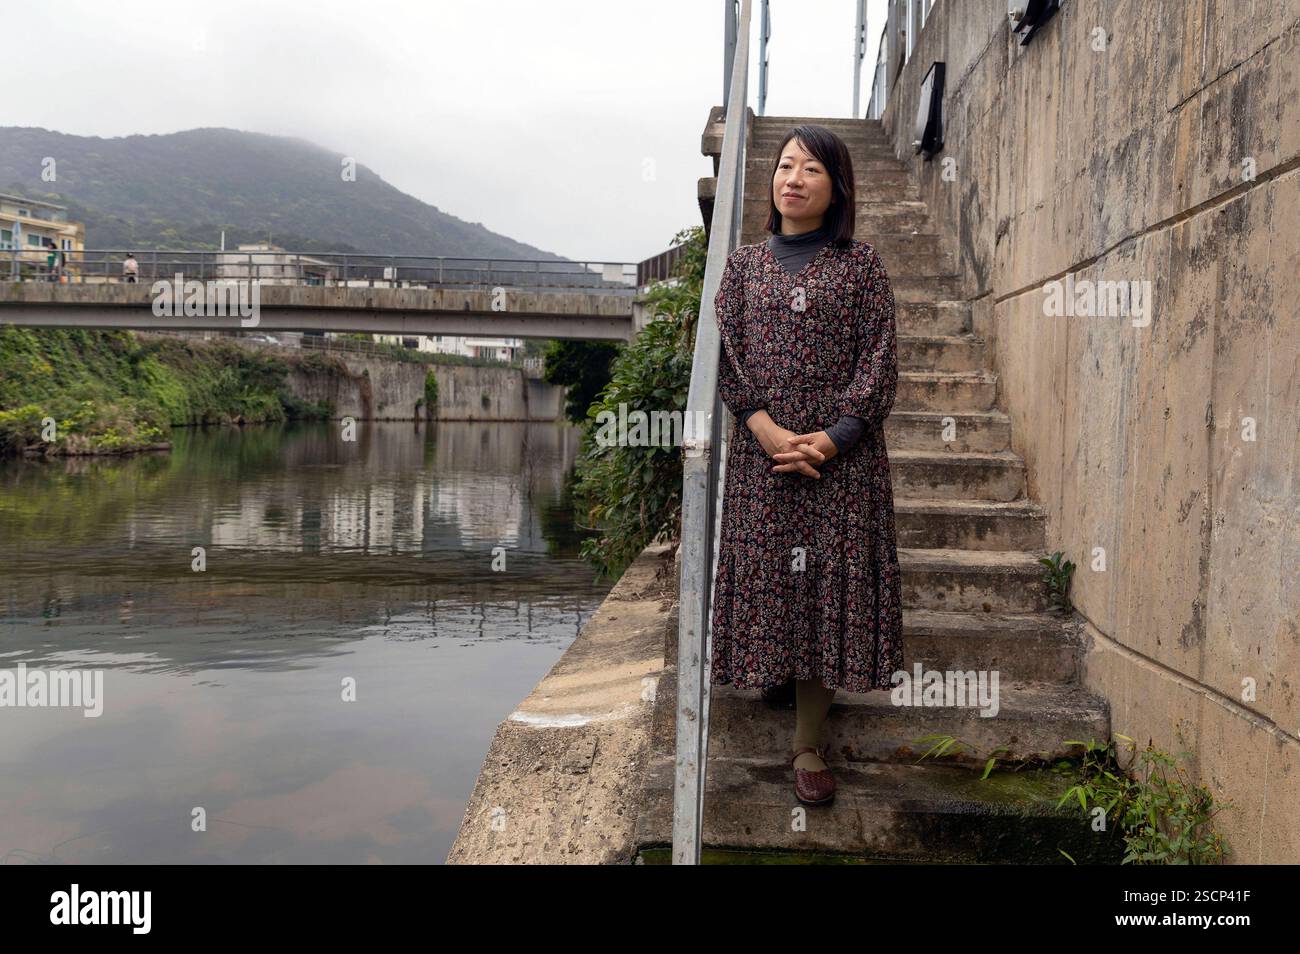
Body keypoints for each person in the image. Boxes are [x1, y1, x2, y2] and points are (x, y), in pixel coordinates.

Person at [709, 124, 902, 807]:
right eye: (785, 166)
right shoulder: (740, 267)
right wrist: (763, 428)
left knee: (823, 592)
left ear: (837, 186)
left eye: (811, 169)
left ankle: (807, 742)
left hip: (839, 466)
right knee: (771, 582)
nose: (793, 178)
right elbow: (727, 354)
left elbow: (878, 357)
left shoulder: (862, 267)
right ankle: (773, 673)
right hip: (764, 460)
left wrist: (833, 437)